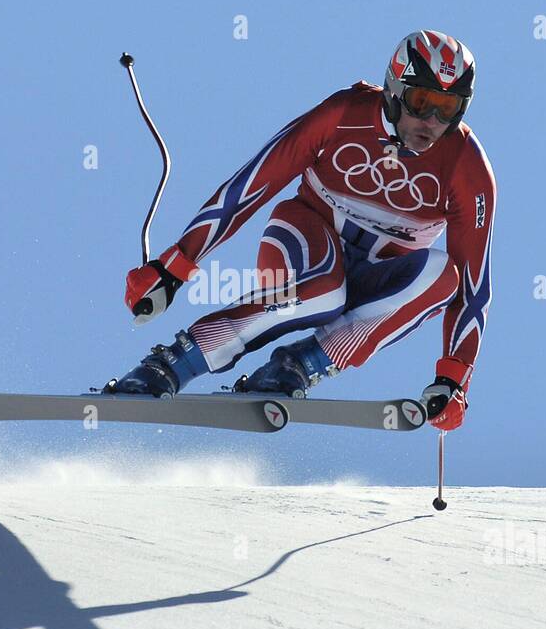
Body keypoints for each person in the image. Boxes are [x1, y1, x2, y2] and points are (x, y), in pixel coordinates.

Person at [109, 30, 495, 431]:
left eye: (447, 108)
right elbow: (250, 186)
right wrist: (175, 266)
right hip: (304, 242)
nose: (431, 122)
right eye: (421, 102)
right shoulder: (345, 113)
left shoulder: (466, 166)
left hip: (375, 279)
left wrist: (455, 379)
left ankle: (301, 363)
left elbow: (474, 285)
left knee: (444, 277)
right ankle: (176, 361)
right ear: (395, 90)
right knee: (326, 290)